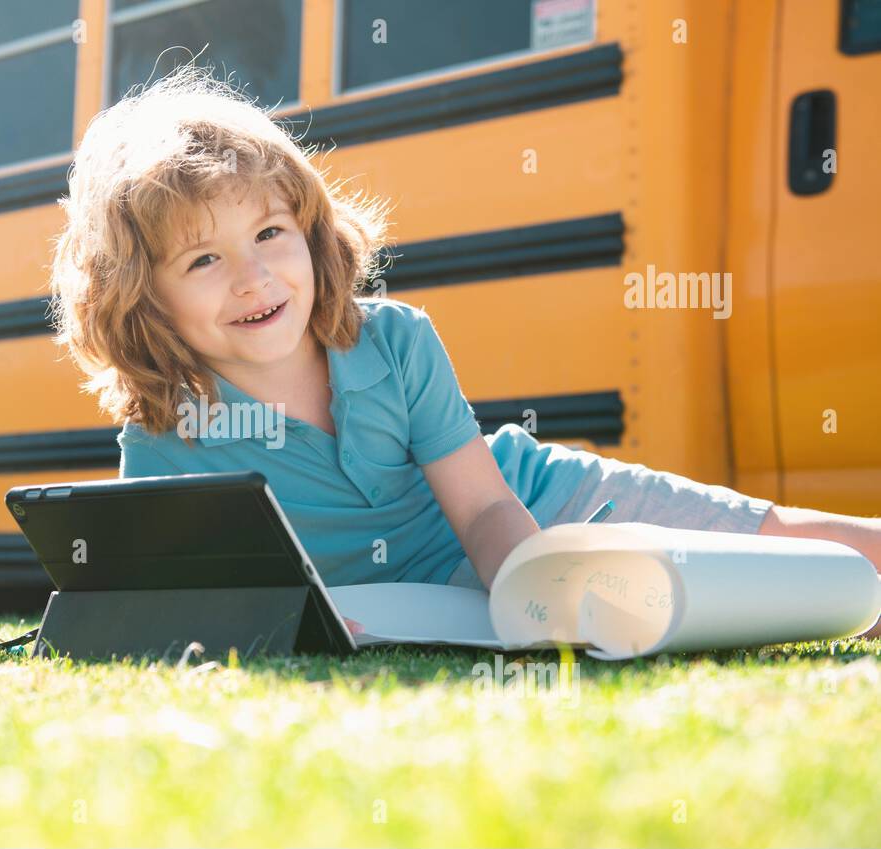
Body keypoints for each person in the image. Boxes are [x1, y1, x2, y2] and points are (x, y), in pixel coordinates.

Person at [48, 66, 881, 638]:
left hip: (540, 515)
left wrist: (533, 590)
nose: (254, 275)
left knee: (818, 559)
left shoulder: (395, 340)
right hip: (429, 601)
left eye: (271, 232)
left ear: (309, 232)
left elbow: (485, 510)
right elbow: (171, 600)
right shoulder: (165, 429)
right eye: (204, 258)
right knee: (701, 613)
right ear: (141, 294)